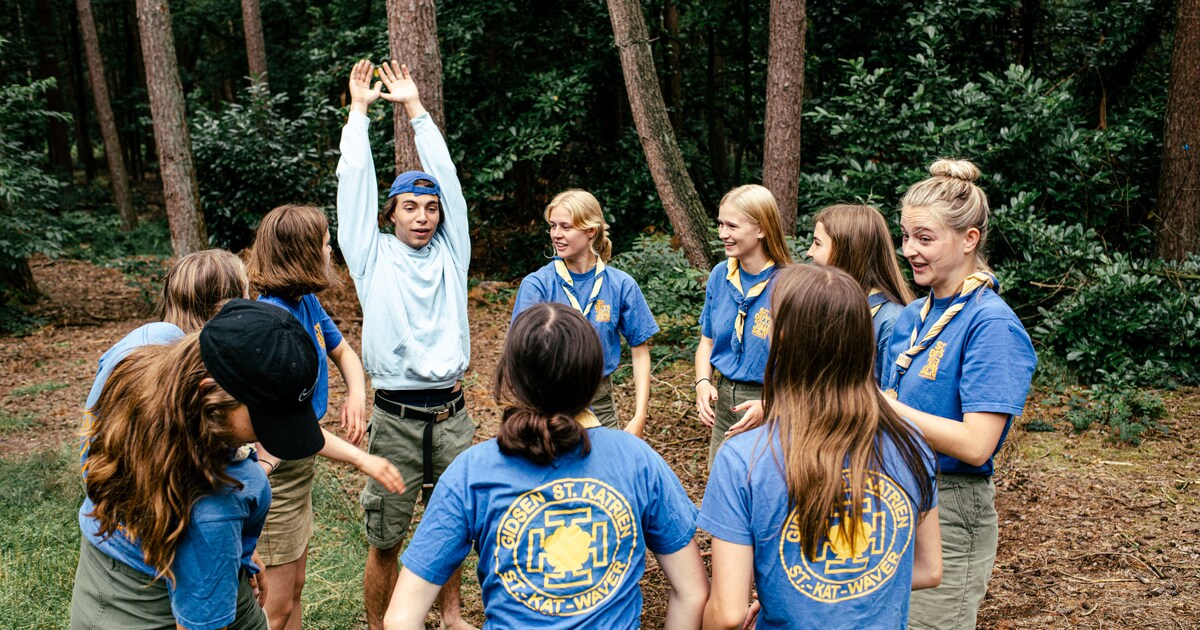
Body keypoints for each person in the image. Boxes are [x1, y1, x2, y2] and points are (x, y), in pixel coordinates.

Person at [383, 303, 709, 630]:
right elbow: (692, 592)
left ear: (510, 375)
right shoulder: (637, 460)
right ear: (594, 375)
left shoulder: (470, 473)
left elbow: (401, 619)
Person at [699, 265, 942, 630]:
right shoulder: (912, 442)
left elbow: (728, 613)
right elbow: (928, 569)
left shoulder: (743, 458)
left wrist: (784, 593)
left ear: (781, 340)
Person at [70, 299, 327, 630]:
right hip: (154, 609)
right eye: (266, 420)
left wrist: (237, 551)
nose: (267, 437)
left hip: (101, 584)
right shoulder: (220, 501)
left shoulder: (147, 345)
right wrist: (222, 544)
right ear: (211, 396)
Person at [336, 59, 476, 630]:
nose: (422, 216)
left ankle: (451, 614)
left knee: (454, 530)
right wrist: (360, 113)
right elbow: (354, 187)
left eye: (431, 207)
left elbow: (447, 175)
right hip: (394, 419)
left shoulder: (452, 255)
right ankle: (380, 626)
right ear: (390, 214)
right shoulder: (372, 258)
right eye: (410, 207)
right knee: (386, 538)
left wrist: (416, 110)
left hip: (452, 414)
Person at [880, 159, 1037, 629]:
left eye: (924, 238)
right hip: (892, 493)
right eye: (906, 236)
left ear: (970, 239)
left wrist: (887, 408)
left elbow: (976, 444)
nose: (909, 250)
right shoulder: (911, 317)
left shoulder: (991, 325)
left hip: (949, 509)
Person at [245, 203, 406, 630]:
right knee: (273, 606)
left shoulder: (306, 301)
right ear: (301, 253)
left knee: (295, 587)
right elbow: (294, 429)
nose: (330, 249)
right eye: (324, 243)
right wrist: (364, 459)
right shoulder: (273, 321)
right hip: (274, 470)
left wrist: (356, 392)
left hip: (299, 468)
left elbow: (342, 350)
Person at [80, 248, 250, 477]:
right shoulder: (162, 353)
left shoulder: (162, 343)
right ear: (223, 303)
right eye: (246, 293)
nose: (252, 301)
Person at [510, 189, 659, 435]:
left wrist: (639, 415)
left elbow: (640, 351)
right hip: (549, 403)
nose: (556, 234)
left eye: (566, 227)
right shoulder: (538, 284)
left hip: (600, 403)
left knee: (605, 472)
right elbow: (520, 354)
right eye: (553, 226)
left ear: (591, 230)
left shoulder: (620, 285)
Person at [694, 184, 793, 465]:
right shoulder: (719, 275)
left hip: (772, 403)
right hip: (725, 399)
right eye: (721, 224)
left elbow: (802, 366)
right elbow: (707, 341)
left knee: (766, 489)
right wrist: (703, 383)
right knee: (721, 487)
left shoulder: (788, 284)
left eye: (732, 226)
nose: (723, 234)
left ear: (761, 229)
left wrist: (771, 405)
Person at [806, 204, 916, 386]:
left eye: (818, 243)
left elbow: (892, 397)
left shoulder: (890, 320)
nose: (809, 252)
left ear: (847, 251)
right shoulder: (832, 307)